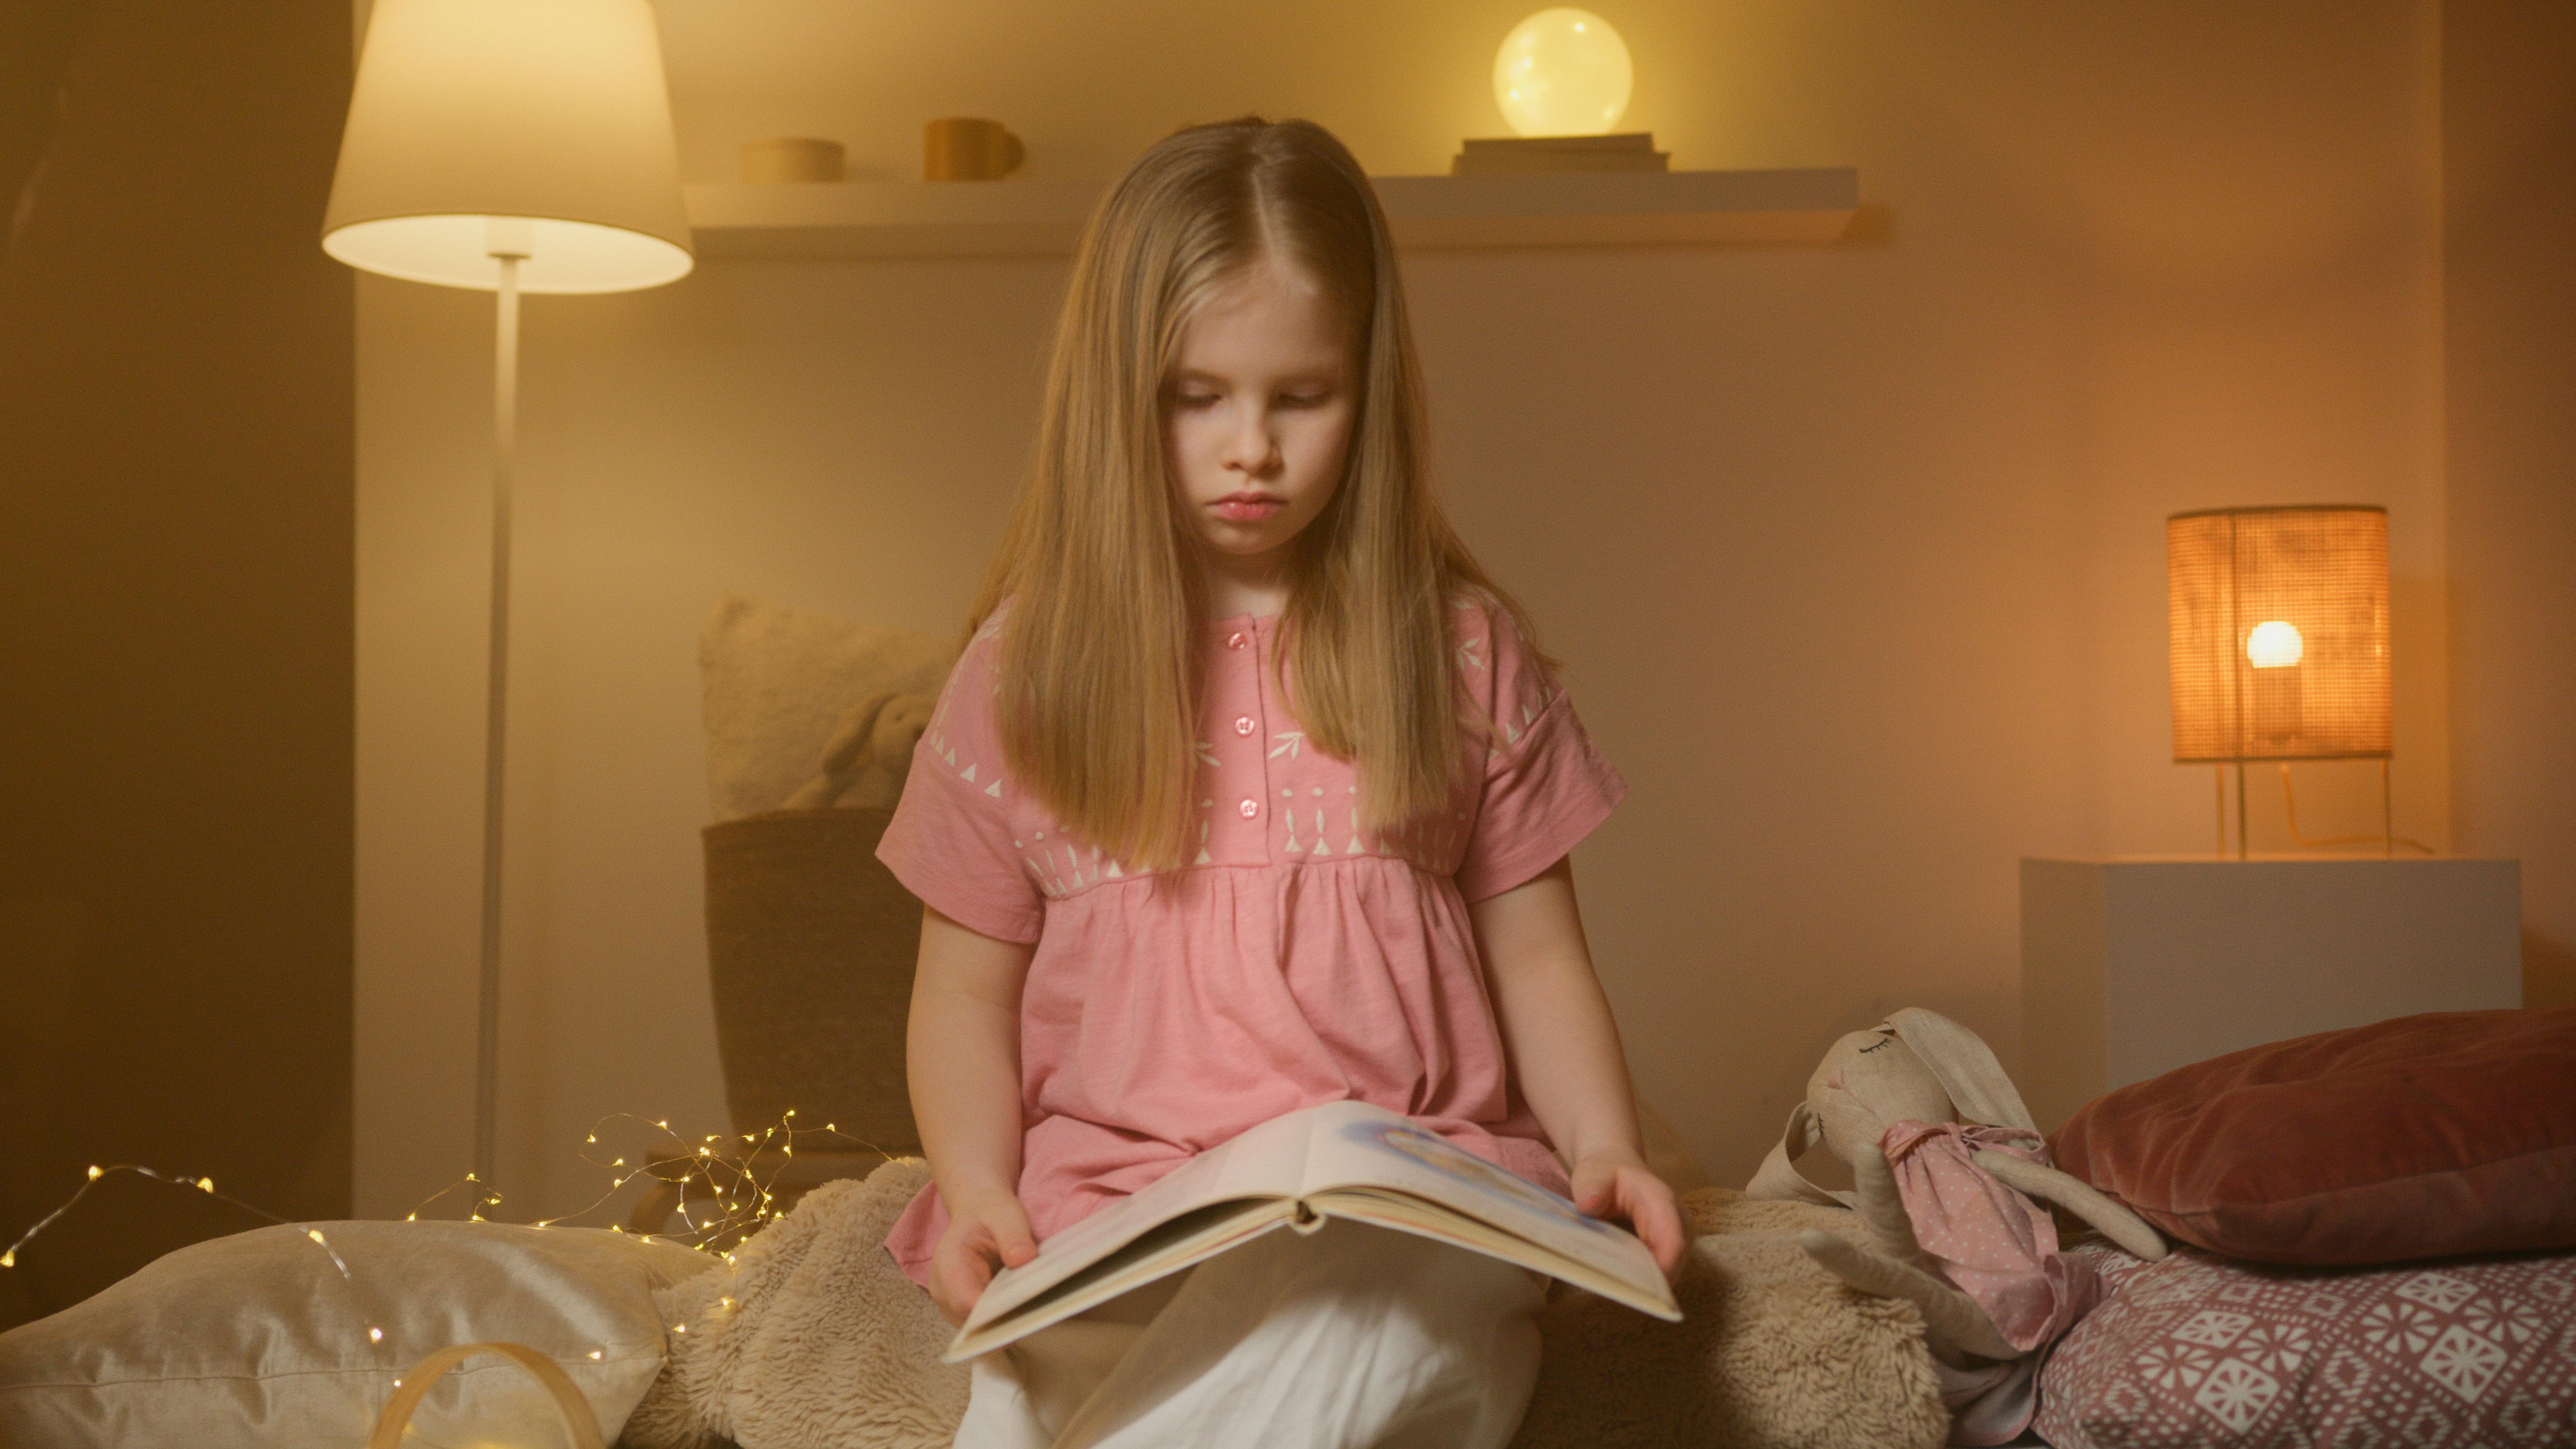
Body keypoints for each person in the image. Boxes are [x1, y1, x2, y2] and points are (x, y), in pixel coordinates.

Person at [875, 115, 1685, 1449]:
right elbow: (964, 986)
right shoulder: (1025, 671)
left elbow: (1539, 960)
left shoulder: (1458, 648)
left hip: (1412, 1192)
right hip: (1125, 1204)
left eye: (1299, 397)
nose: (1251, 445)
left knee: (1400, 1304)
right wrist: (974, 1193)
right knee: (1040, 1361)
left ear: (1367, 388)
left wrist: (1604, 1149)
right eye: (1197, 396)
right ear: (1116, 395)